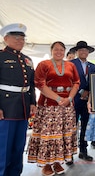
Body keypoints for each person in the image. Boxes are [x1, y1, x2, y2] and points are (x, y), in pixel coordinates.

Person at [27, 41, 80, 176]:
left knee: (62, 134)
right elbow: (39, 83)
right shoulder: (44, 64)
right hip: (48, 105)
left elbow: (76, 82)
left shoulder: (71, 65)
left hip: (67, 105)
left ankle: (57, 162)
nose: (59, 52)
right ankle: (46, 164)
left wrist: (68, 99)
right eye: (56, 49)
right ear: (51, 50)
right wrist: (57, 99)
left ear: (65, 51)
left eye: (61, 50)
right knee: (49, 135)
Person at [0, 23, 36, 176]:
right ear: (6, 38)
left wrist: (33, 102)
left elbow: (31, 83)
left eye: (22, 38)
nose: (20, 41)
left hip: (23, 108)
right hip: (6, 108)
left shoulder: (27, 59)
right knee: (3, 148)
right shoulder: (1, 56)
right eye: (16, 38)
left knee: (18, 147)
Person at [70, 41, 95, 162]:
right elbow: (69, 81)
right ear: (76, 52)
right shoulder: (70, 64)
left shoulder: (93, 66)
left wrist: (88, 93)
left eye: (85, 50)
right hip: (74, 100)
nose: (83, 52)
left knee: (86, 127)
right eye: (81, 50)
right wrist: (81, 91)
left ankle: (83, 150)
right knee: (72, 127)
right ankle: (69, 154)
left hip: (88, 101)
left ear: (88, 52)